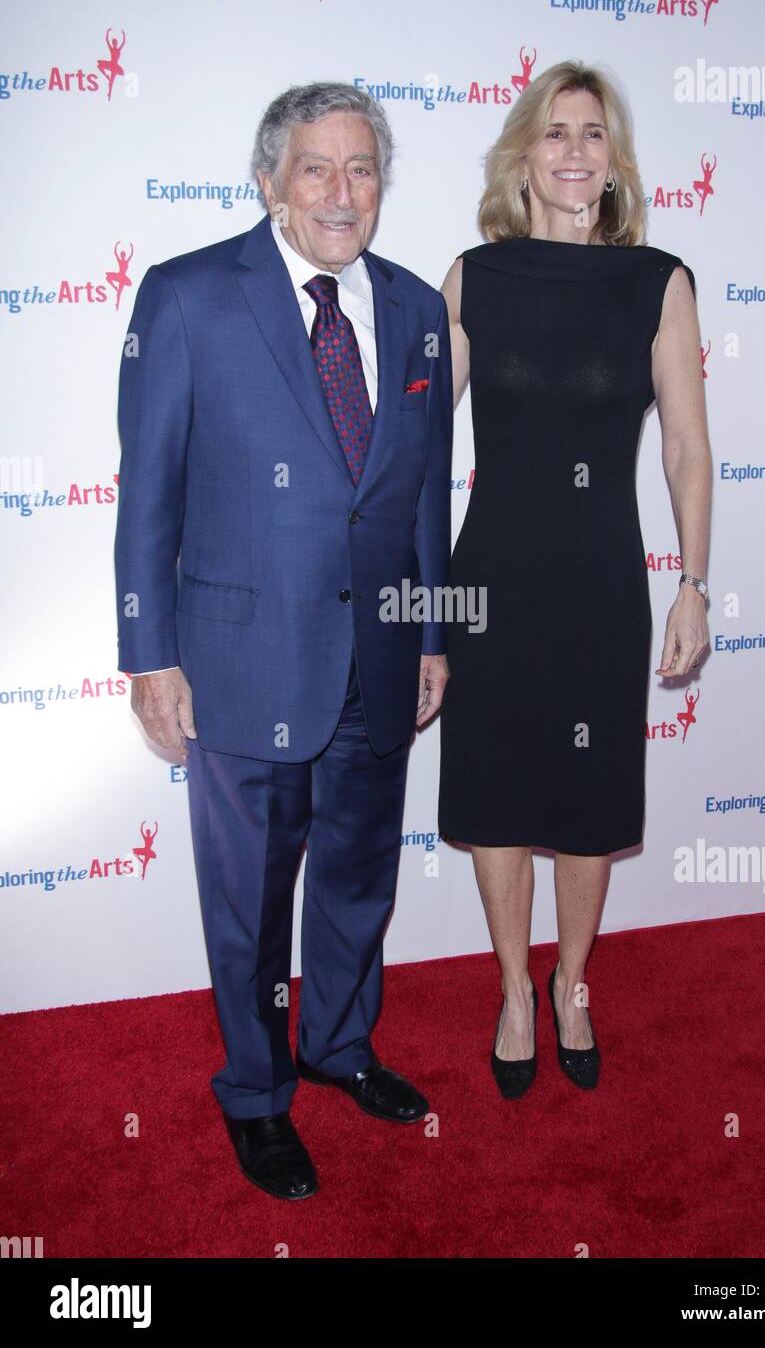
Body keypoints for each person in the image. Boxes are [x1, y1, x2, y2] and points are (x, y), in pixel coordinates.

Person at [114, 83, 453, 1198]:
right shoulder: (188, 296)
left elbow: (415, 501)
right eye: (316, 167)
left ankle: (339, 1045)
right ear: (269, 178)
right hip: (241, 658)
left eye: (362, 169)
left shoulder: (410, 311)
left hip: (379, 657)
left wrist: (431, 634)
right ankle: (256, 1095)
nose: (340, 193)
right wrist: (148, 655)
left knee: (358, 876)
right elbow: (147, 494)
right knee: (252, 898)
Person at [437, 61, 711, 1099]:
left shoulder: (656, 281)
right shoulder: (474, 276)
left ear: (613, 157)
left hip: (598, 580)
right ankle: (513, 987)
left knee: (588, 800)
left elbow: (686, 447)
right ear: (522, 154)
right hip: (489, 577)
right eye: (553, 132)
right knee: (498, 791)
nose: (572, 152)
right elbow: (420, 443)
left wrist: (692, 581)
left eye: (592, 134)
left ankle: (571, 983)